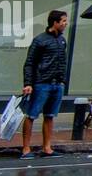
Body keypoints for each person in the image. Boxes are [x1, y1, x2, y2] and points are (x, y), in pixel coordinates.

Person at [20, 10, 69, 159]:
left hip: (57, 84)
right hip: (41, 83)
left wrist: (62, 80)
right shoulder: (40, 40)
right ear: (55, 23)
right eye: (63, 21)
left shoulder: (62, 40)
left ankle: (47, 147)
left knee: (50, 116)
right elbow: (29, 63)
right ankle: (26, 149)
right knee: (31, 115)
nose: (66, 24)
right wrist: (28, 83)